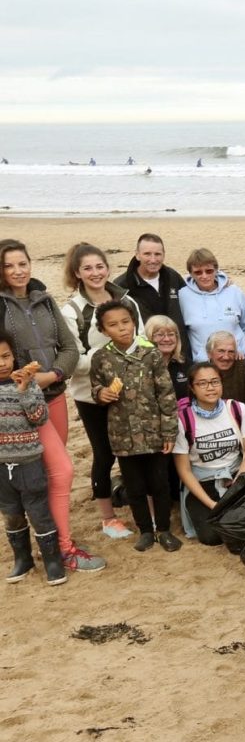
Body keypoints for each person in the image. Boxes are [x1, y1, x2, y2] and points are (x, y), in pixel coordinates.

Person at [0, 239, 105, 573]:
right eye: (9, 265)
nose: (18, 271)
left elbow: (70, 349)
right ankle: (63, 548)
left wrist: (53, 374)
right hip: (20, 404)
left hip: (55, 395)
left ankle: (50, 541)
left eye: (22, 263)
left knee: (47, 476)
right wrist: (26, 382)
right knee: (63, 471)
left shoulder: (44, 301)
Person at [61, 243, 144, 538]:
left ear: (108, 268)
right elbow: (72, 358)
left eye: (99, 267)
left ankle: (138, 508)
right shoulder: (71, 311)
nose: (95, 273)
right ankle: (108, 518)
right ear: (77, 273)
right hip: (91, 395)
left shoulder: (126, 300)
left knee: (132, 452)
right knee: (104, 454)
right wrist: (108, 355)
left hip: (128, 391)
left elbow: (141, 339)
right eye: (87, 268)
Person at [89, 301, 182, 553]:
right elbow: (95, 387)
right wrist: (101, 394)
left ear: (133, 322)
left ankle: (163, 529)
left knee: (159, 484)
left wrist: (169, 431)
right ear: (103, 329)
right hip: (123, 435)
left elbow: (166, 394)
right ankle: (145, 531)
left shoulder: (149, 353)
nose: (121, 328)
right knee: (135, 486)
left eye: (125, 322)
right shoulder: (101, 357)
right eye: (113, 325)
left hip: (154, 434)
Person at [0, 332, 67, 585]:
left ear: (14, 356)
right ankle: (22, 558)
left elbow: (39, 417)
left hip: (29, 462)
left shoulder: (29, 385)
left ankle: (52, 560)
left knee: (39, 511)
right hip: (1, 466)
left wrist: (25, 390)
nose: (2, 363)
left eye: (6, 356)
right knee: (11, 513)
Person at [172, 362, 245, 545]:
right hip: (203, 481)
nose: (210, 388)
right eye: (202, 383)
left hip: (237, 474)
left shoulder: (237, 409)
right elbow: (184, 471)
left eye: (215, 381)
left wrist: (237, 485)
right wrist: (213, 505)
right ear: (192, 387)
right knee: (211, 537)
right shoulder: (183, 419)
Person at [115, 233, 189, 360]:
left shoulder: (172, 277)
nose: (153, 259)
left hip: (179, 353)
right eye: (147, 254)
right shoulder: (121, 286)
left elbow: (193, 296)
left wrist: (221, 283)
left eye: (158, 254)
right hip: (143, 357)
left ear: (164, 255)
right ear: (137, 255)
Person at [178, 248, 245, 360]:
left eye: (209, 271)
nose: (204, 276)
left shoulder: (234, 292)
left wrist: (244, 349)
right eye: (198, 272)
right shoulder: (182, 296)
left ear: (216, 270)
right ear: (190, 274)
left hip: (236, 360)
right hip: (203, 365)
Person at [207, 332, 245, 460]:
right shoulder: (202, 372)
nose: (226, 357)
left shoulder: (242, 368)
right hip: (213, 437)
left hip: (244, 432)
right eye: (221, 351)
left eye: (231, 352)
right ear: (209, 353)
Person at [145, 316, 189, 406]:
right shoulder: (140, 365)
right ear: (149, 337)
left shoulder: (187, 364)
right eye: (160, 335)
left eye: (171, 334)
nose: (166, 339)